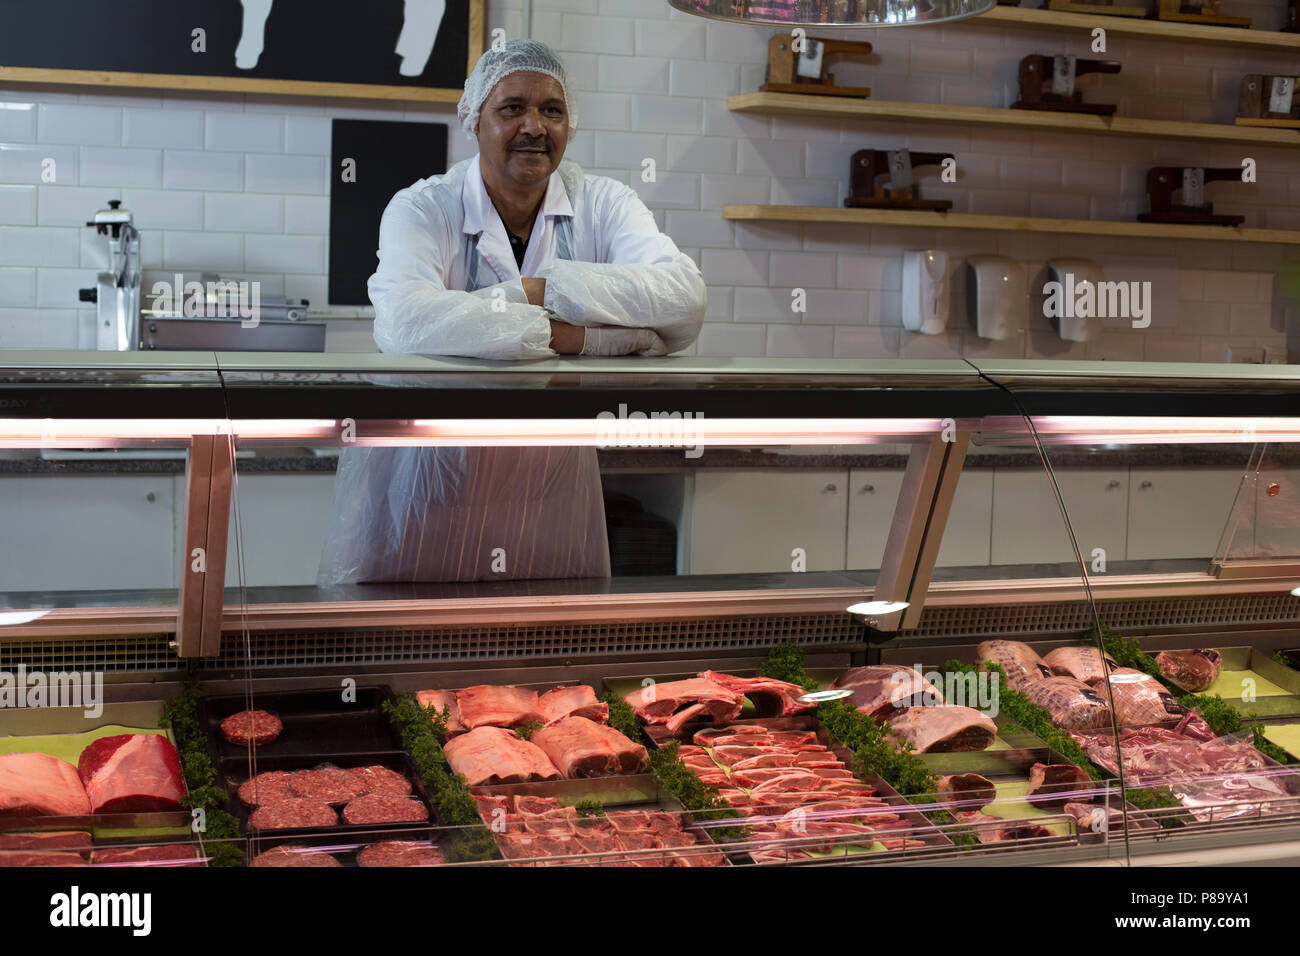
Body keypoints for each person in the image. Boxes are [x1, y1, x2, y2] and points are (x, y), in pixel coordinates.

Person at [317, 39, 707, 586]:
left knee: (544, 653)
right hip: (426, 485)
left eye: (552, 110)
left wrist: (544, 291)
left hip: (549, 489)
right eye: (512, 108)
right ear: (474, 121)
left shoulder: (605, 204)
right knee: (414, 655)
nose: (535, 126)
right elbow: (406, 323)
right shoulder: (425, 207)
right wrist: (589, 335)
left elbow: (684, 301)